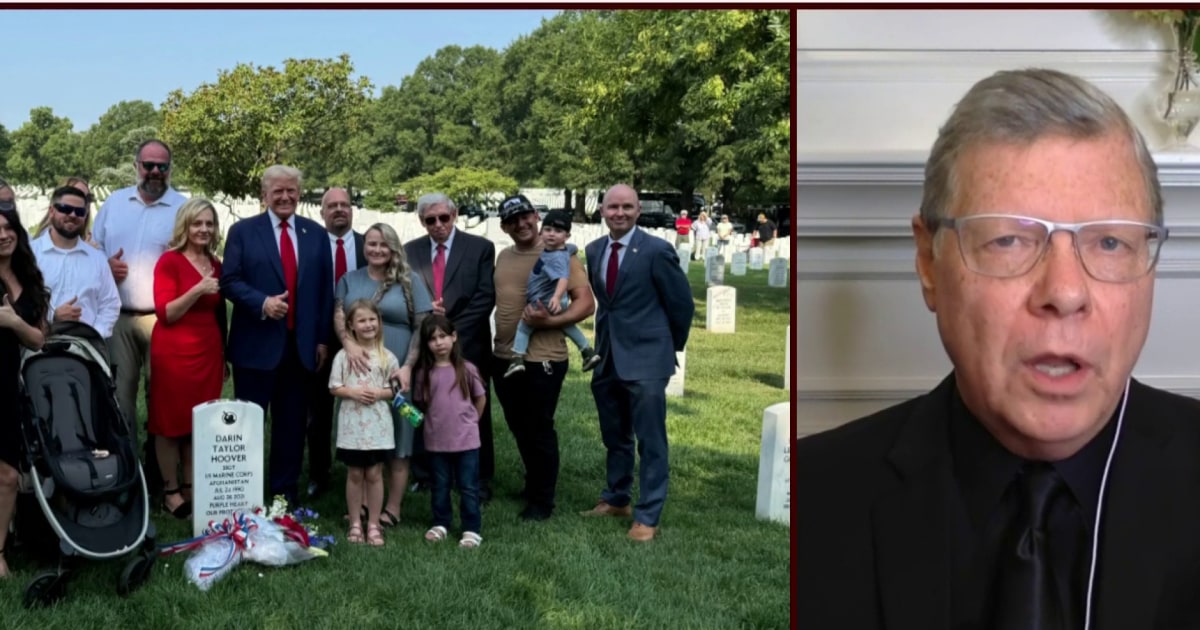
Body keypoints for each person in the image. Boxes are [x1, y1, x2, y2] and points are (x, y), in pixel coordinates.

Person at [793, 68, 1200, 628]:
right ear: (929, 262)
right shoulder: (814, 499)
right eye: (1008, 240)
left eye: (1109, 241)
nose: (1065, 292)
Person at [581, 184, 694, 542]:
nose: (620, 213)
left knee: (651, 440)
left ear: (638, 211)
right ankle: (617, 498)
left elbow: (681, 305)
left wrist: (666, 349)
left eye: (627, 207)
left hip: (647, 359)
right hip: (608, 357)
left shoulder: (657, 250)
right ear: (602, 211)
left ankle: (647, 515)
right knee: (615, 435)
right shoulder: (594, 250)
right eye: (613, 207)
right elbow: (607, 304)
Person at [220, 164, 333, 503]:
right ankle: (245, 492)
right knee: (249, 424)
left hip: (300, 348)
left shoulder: (315, 234)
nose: (285, 196)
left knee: (291, 425)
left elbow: (324, 292)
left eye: (291, 190)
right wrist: (262, 302)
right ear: (264, 195)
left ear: (299, 193)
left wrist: (322, 339)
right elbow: (229, 281)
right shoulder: (243, 231)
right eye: (278, 191)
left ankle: (284, 493)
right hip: (255, 345)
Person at [491, 195, 596, 521]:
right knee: (518, 426)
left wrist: (548, 322)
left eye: (525, 216)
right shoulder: (504, 257)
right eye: (512, 220)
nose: (521, 224)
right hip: (505, 355)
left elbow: (586, 303)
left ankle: (542, 500)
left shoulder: (561, 254)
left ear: (536, 216)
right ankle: (532, 483)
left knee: (538, 428)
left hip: (544, 359)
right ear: (504, 227)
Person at [91, 139, 188, 494]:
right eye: (149, 165)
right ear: (136, 166)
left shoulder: (182, 208)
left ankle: (163, 477)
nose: (155, 172)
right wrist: (105, 265)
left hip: (164, 320)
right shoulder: (114, 204)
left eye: (162, 166)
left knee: (162, 400)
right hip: (118, 317)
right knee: (120, 399)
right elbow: (92, 250)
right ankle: (128, 475)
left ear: (170, 169)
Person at [336, 222, 432, 528]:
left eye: (383, 245)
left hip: (397, 363)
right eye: (371, 244)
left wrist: (408, 365)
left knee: (400, 433)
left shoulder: (409, 280)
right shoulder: (350, 279)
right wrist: (348, 345)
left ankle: (393, 506)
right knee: (363, 429)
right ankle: (363, 504)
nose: (376, 250)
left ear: (393, 248)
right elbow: (339, 315)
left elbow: (421, 325)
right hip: (359, 366)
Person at [404, 193, 496, 500]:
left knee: (473, 406)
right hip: (426, 344)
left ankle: (478, 477)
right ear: (422, 221)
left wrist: (447, 332)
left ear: (454, 215)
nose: (438, 224)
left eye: (444, 217)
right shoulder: (410, 251)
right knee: (427, 404)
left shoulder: (480, 248)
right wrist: (429, 329)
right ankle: (426, 474)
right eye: (431, 220)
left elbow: (485, 297)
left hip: (468, 343)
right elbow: (406, 295)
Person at [149, 197, 227, 519]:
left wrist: (225, 355)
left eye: (209, 223)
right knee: (169, 422)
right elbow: (165, 313)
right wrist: (198, 289)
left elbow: (221, 313)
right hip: (173, 352)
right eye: (197, 223)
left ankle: (192, 486)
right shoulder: (169, 261)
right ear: (185, 225)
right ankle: (170, 491)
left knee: (199, 423)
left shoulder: (217, 264)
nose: (204, 229)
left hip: (208, 351)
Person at [307, 187, 366, 499]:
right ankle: (319, 472)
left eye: (345, 204)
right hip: (321, 338)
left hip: (364, 335)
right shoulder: (310, 246)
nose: (340, 209)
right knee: (318, 408)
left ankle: (370, 467)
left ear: (352, 209)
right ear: (322, 212)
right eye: (332, 206)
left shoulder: (369, 245)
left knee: (369, 400)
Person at [0, 202, 49, 579]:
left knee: (8, 475)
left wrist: (14, 322)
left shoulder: (29, 279)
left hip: (8, 387)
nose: (3, 235)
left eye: (8, 227)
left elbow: (38, 340)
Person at [412, 314, 487, 549]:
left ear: (453, 337)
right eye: (432, 339)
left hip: (466, 441)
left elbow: (480, 398)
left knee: (468, 486)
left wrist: (473, 420)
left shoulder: (467, 369)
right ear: (426, 344)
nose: (439, 343)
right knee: (440, 485)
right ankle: (441, 522)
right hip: (436, 442)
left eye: (443, 336)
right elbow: (421, 403)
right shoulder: (424, 374)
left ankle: (471, 528)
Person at [329, 299, 399, 548]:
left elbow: (395, 390)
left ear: (379, 322)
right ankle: (355, 523)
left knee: (375, 474)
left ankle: (374, 524)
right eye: (362, 320)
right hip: (353, 427)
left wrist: (379, 393)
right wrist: (353, 392)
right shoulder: (343, 356)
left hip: (379, 427)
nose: (368, 325)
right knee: (355, 473)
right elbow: (334, 386)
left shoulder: (387, 357)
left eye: (372, 319)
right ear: (351, 325)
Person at [502, 206, 600, 378]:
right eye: (548, 230)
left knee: (524, 326)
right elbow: (570, 248)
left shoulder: (557, 258)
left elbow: (563, 277)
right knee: (567, 325)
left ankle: (517, 358)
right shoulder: (559, 250)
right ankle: (587, 351)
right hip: (549, 299)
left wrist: (556, 297)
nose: (552, 234)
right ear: (541, 232)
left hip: (545, 300)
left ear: (567, 235)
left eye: (558, 231)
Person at [30, 185, 121, 338]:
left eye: (79, 212)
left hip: (84, 346)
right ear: (52, 211)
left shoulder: (97, 259)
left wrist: (94, 335)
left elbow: (110, 304)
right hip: (39, 343)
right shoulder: (30, 255)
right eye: (65, 209)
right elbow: (19, 302)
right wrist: (52, 317)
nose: (73, 215)